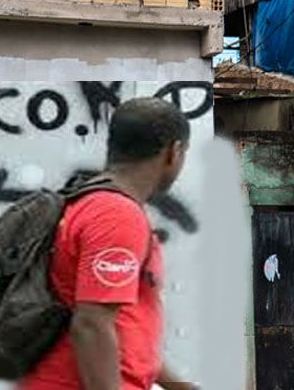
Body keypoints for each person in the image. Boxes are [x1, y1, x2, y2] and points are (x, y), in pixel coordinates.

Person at [19, 97, 201, 390]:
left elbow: (123, 325)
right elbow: (92, 325)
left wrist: (178, 385)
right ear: (174, 152)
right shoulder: (116, 215)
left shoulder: (95, 204)